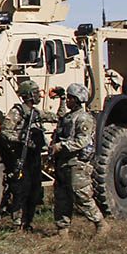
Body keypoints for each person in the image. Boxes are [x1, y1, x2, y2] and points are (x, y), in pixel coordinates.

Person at [48, 82, 107, 236]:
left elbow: (82, 141)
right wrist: (60, 99)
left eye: (69, 98)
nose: (67, 100)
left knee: (81, 195)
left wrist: (61, 146)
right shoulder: (69, 117)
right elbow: (61, 118)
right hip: (63, 162)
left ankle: (100, 223)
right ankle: (62, 230)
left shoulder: (83, 118)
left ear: (77, 99)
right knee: (61, 197)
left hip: (76, 163)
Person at [0, 80, 54, 232]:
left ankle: (28, 221)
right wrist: (22, 140)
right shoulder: (17, 112)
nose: (39, 96)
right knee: (21, 190)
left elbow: (56, 116)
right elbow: (5, 132)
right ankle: (17, 223)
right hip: (22, 157)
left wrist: (62, 100)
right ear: (28, 95)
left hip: (34, 157)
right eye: (36, 93)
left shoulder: (35, 113)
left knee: (34, 190)